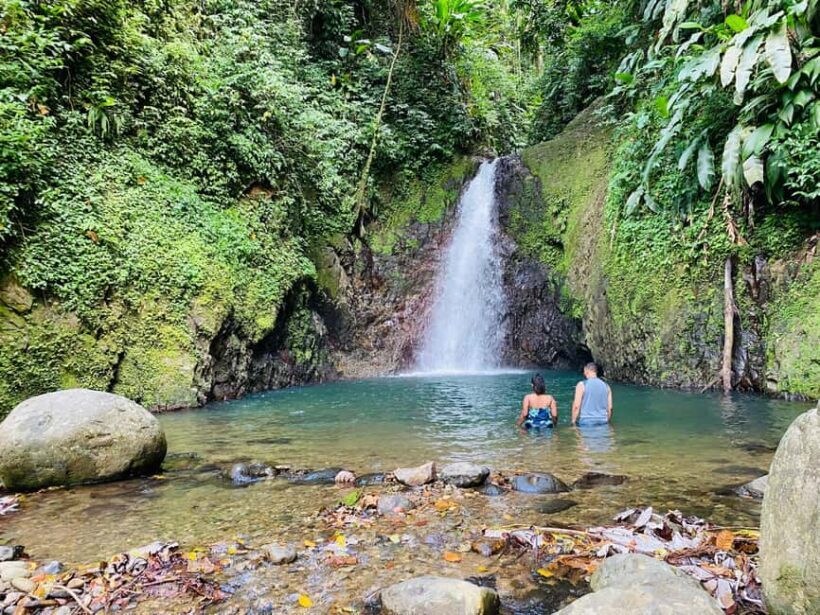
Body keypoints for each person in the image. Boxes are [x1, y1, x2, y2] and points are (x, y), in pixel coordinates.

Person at [571, 362, 612, 426]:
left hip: (586, 421)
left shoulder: (581, 385)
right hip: (603, 421)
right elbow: (610, 408)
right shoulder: (607, 386)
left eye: (584, 371)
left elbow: (576, 406)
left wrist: (573, 421)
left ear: (586, 371)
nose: (584, 373)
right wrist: (607, 420)